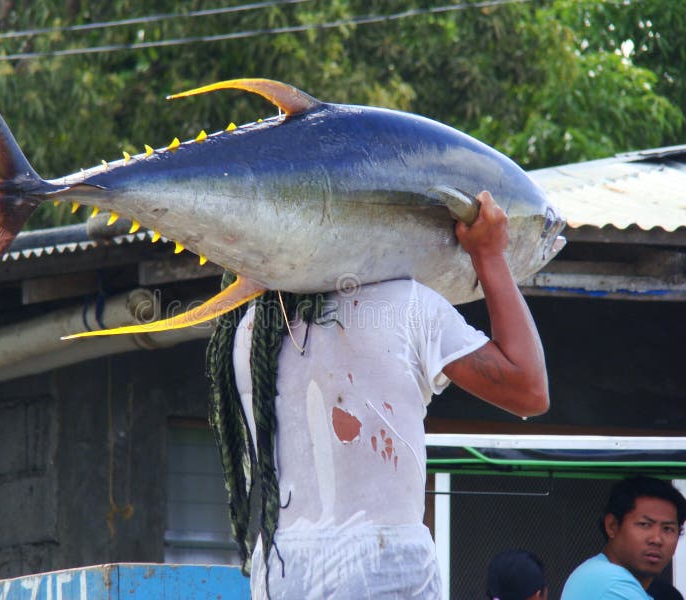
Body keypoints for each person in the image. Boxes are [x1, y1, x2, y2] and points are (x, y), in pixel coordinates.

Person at [206, 191, 549, 598]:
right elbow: (528, 389)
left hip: (282, 570)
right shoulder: (404, 306)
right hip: (385, 568)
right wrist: (490, 255)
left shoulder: (249, 330)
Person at [562, 475, 686, 600]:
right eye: (644, 524)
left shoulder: (596, 573)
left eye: (668, 529)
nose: (657, 539)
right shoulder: (611, 584)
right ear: (612, 526)